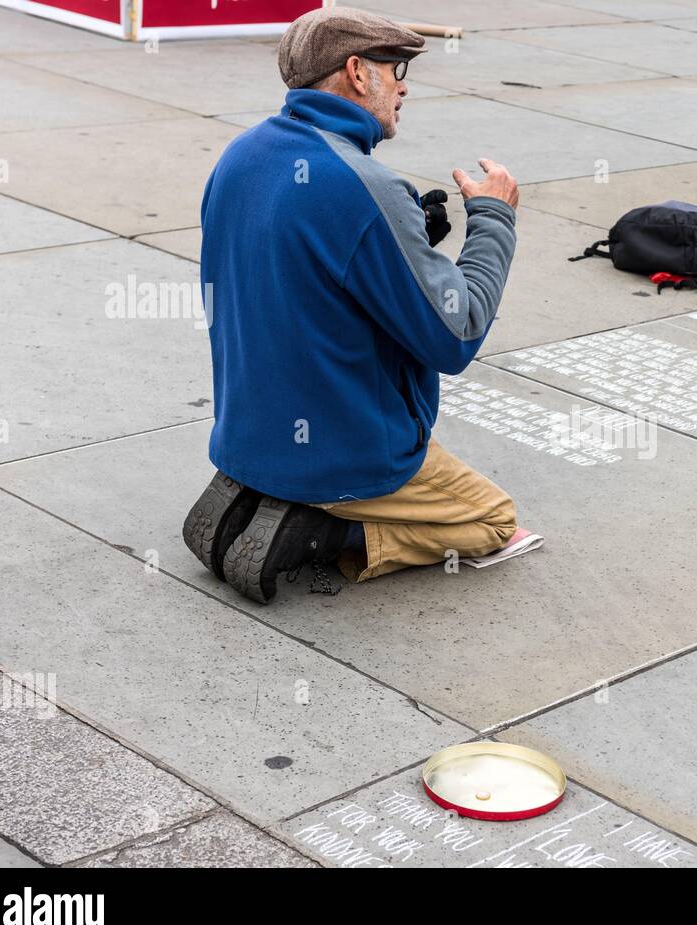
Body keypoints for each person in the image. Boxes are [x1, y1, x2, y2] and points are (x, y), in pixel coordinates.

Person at [182, 6, 522, 604]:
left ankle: (265, 483)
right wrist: (494, 219)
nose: (404, 85)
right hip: (348, 445)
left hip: (247, 427)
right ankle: (325, 526)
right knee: (493, 520)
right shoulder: (364, 186)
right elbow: (456, 336)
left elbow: (298, 274)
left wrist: (409, 246)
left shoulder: (242, 154)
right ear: (358, 72)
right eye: (396, 70)